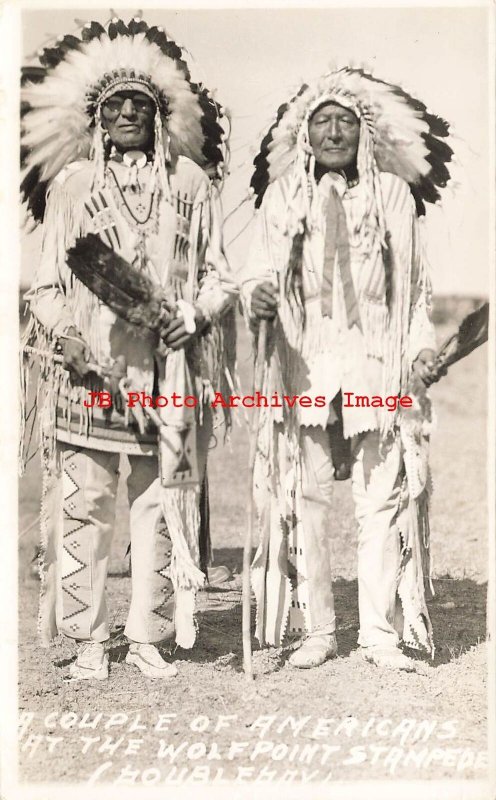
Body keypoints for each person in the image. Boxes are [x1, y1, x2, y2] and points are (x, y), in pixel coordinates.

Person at [20, 17, 237, 680]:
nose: (126, 113)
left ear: (160, 114)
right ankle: (87, 636)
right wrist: (66, 334)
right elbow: (46, 284)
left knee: (159, 503)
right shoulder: (73, 188)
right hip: (91, 372)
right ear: (96, 116)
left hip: (166, 372)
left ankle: (146, 631)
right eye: (115, 104)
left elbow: (218, 275)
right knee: (85, 504)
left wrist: (194, 317)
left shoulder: (191, 186)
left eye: (139, 104)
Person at [241, 69, 453, 671]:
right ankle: (317, 630)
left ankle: (379, 633)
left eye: (345, 121)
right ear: (305, 132)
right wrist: (257, 295)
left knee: (380, 497)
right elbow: (257, 270)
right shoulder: (284, 195)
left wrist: (417, 349)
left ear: (364, 131)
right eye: (322, 121)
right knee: (303, 494)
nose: (334, 131)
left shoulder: (393, 195)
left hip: (374, 363)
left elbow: (415, 289)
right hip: (304, 360)